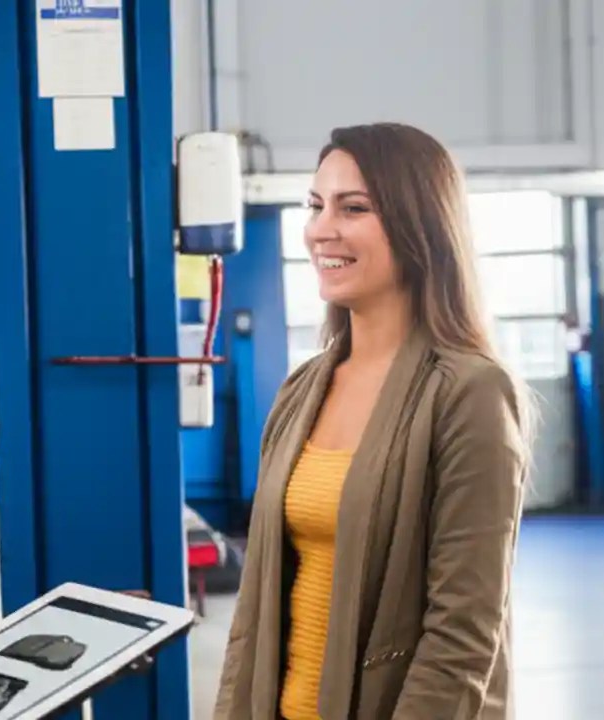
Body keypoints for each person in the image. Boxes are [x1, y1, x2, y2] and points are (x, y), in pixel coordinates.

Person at [214, 123, 536, 720]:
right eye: (315, 206)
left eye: (353, 208)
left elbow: (462, 637)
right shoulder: (302, 389)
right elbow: (252, 616)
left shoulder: (469, 393)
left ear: (420, 226)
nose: (320, 229)